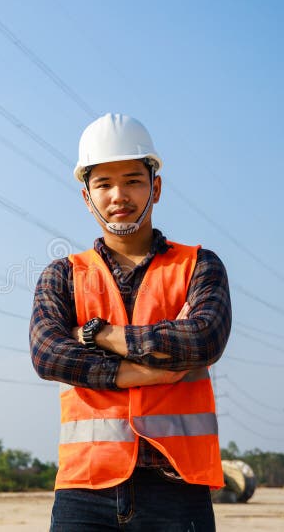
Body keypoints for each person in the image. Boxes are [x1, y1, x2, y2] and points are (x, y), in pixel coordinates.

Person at [30, 113, 231, 531]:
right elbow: (49, 355)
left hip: (177, 489)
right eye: (103, 184)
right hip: (85, 489)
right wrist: (139, 371)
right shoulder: (63, 275)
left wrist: (97, 334)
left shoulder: (198, 266)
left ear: (155, 188)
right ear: (87, 197)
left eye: (133, 180)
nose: (118, 194)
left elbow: (203, 340)